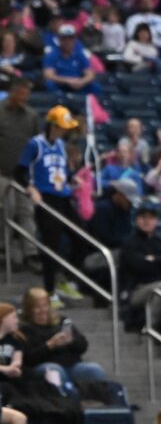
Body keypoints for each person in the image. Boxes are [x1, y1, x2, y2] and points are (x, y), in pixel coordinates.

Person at [15, 106, 85, 301]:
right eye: (62, 127)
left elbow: (60, 169)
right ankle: (49, 290)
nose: (65, 130)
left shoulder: (61, 144)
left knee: (81, 237)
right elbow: (19, 172)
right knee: (51, 244)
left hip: (64, 196)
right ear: (53, 125)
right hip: (45, 199)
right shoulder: (35, 144)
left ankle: (67, 280)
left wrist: (72, 178)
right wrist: (30, 188)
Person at [0, 301, 79, 424]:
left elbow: (18, 359)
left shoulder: (15, 340)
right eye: (14, 317)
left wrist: (14, 367)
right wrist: (6, 369)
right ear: (3, 319)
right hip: (4, 383)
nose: (17, 321)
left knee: (40, 392)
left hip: (15, 380)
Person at [19, 288, 108, 395]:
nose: (43, 310)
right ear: (29, 309)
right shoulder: (24, 329)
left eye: (45, 305)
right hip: (43, 366)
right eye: (37, 307)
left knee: (94, 369)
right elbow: (28, 359)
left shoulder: (62, 321)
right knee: (55, 370)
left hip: (72, 365)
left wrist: (71, 340)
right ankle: (69, 402)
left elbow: (83, 346)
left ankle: (107, 403)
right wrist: (50, 345)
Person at [0, 79, 40, 271]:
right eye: (22, 93)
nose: (24, 97)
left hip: (22, 175)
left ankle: (30, 253)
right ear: (13, 92)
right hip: (1, 171)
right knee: (6, 209)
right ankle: (3, 250)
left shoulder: (31, 116)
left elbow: (37, 143)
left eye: (27, 94)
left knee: (26, 211)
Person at [42, 25, 97, 94]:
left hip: (78, 84)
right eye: (64, 38)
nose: (67, 41)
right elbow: (48, 75)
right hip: (61, 84)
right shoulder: (52, 54)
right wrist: (68, 81)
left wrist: (82, 81)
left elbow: (90, 73)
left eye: (70, 38)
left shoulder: (80, 54)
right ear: (59, 39)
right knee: (50, 84)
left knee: (94, 86)